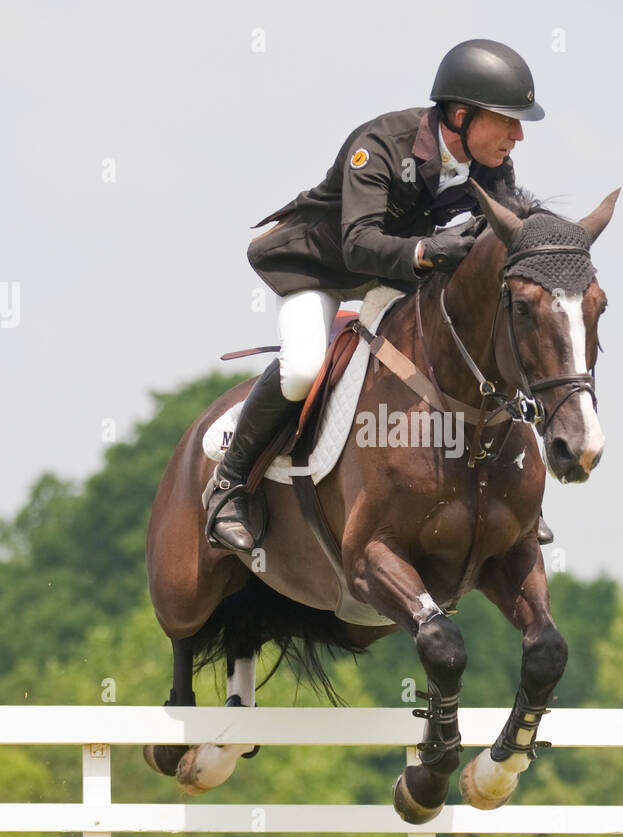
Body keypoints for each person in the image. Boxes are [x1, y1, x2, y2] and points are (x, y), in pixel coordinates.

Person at [206, 38, 552, 553]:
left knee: (480, 337)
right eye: (507, 120)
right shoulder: (380, 143)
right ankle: (229, 486)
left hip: (400, 275)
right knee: (303, 366)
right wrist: (427, 251)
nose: (518, 134)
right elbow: (357, 242)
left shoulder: (492, 164)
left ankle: (513, 490)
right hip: (322, 268)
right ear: (460, 116)